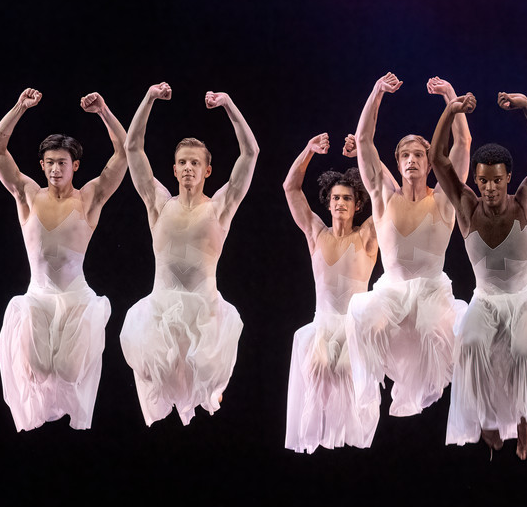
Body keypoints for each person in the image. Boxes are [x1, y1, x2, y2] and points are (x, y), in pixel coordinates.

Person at [0, 88, 129, 431]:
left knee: (68, 371)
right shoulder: (28, 194)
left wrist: (105, 111)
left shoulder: (89, 198)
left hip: (77, 298)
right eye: (49, 163)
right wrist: (20, 106)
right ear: (41, 165)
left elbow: (126, 153)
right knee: (37, 369)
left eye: (61, 163)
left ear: (75, 166)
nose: (54, 169)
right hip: (38, 297)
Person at [119, 83, 259, 426]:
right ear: (174, 168)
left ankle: (210, 390)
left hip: (204, 311)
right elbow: (132, 148)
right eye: (182, 162)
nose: (187, 168)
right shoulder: (158, 203)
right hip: (161, 308)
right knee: (158, 378)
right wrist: (149, 97)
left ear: (207, 170)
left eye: (195, 163)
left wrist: (228, 103)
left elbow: (250, 153)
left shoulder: (221, 208)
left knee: (205, 382)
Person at [430, 91, 527, 460]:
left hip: (525, 297)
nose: (489, 189)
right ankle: (485, 417)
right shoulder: (467, 207)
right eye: (483, 181)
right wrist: (450, 110)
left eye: (496, 181)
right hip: (484, 298)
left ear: (508, 178)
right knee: (469, 342)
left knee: (522, 348)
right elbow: (438, 158)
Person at [347, 73, 471, 416]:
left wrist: (450, 95)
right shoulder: (383, 197)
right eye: (405, 155)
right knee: (360, 316)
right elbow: (363, 139)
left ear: (430, 163)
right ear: (398, 162)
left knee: (459, 334)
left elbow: (462, 144)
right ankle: (368, 392)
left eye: (419, 154)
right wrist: (376, 92)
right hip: (393, 294)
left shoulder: (445, 199)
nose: (412, 160)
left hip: (432, 295)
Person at [283, 132, 380, 451]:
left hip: (354, 325)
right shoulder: (316, 233)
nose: (340, 203)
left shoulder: (366, 236)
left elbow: (384, 195)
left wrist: (364, 158)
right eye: (336, 198)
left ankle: (347, 436)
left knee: (346, 376)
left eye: (347, 198)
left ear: (356, 205)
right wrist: (308, 150)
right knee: (320, 370)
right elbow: (291, 188)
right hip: (324, 324)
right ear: (328, 201)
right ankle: (320, 437)